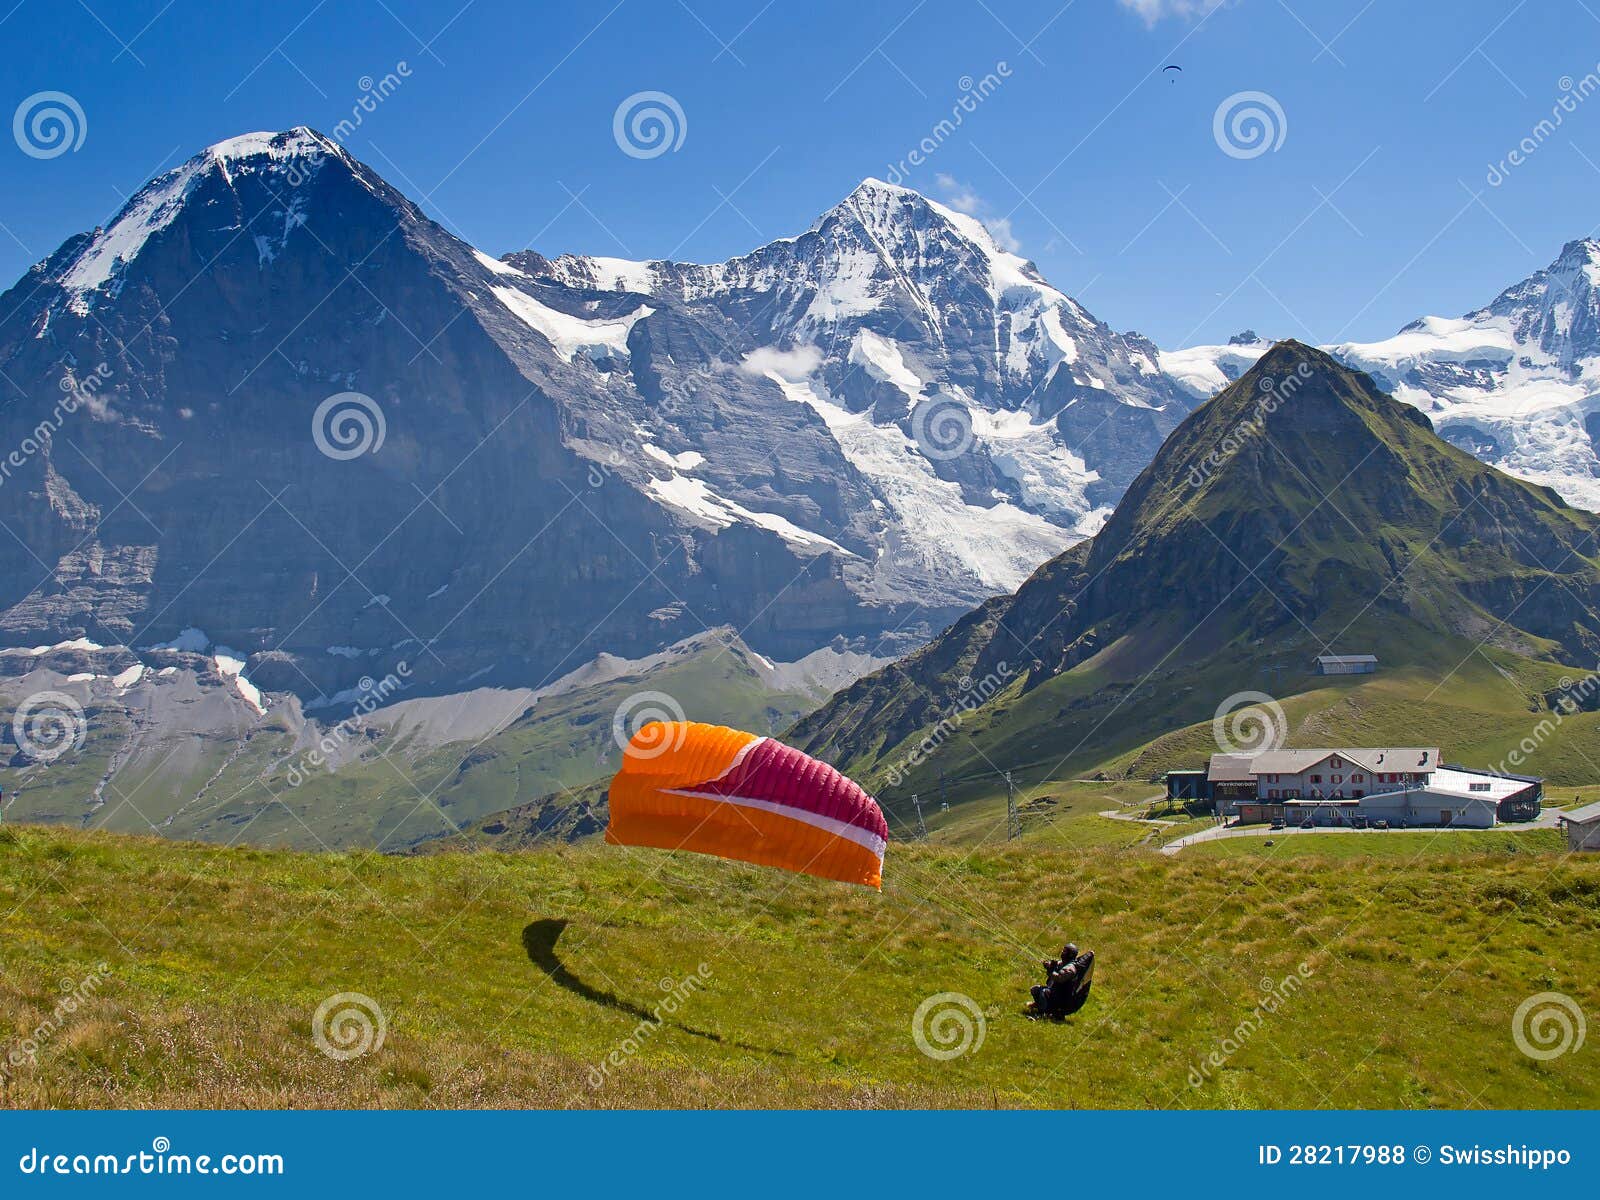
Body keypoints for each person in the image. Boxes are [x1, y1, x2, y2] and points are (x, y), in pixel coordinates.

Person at [1029, 944, 1095, 1018]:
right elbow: (1056, 964)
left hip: (1064, 1000)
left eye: (1064, 951)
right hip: (1056, 994)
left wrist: (1051, 971)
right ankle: (1049, 1010)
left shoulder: (1071, 969)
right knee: (1035, 989)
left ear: (1070, 954)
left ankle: (1043, 1014)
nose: (1062, 952)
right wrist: (1049, 964)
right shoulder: (1063, 963)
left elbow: (1059, 978)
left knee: (1043, 992)